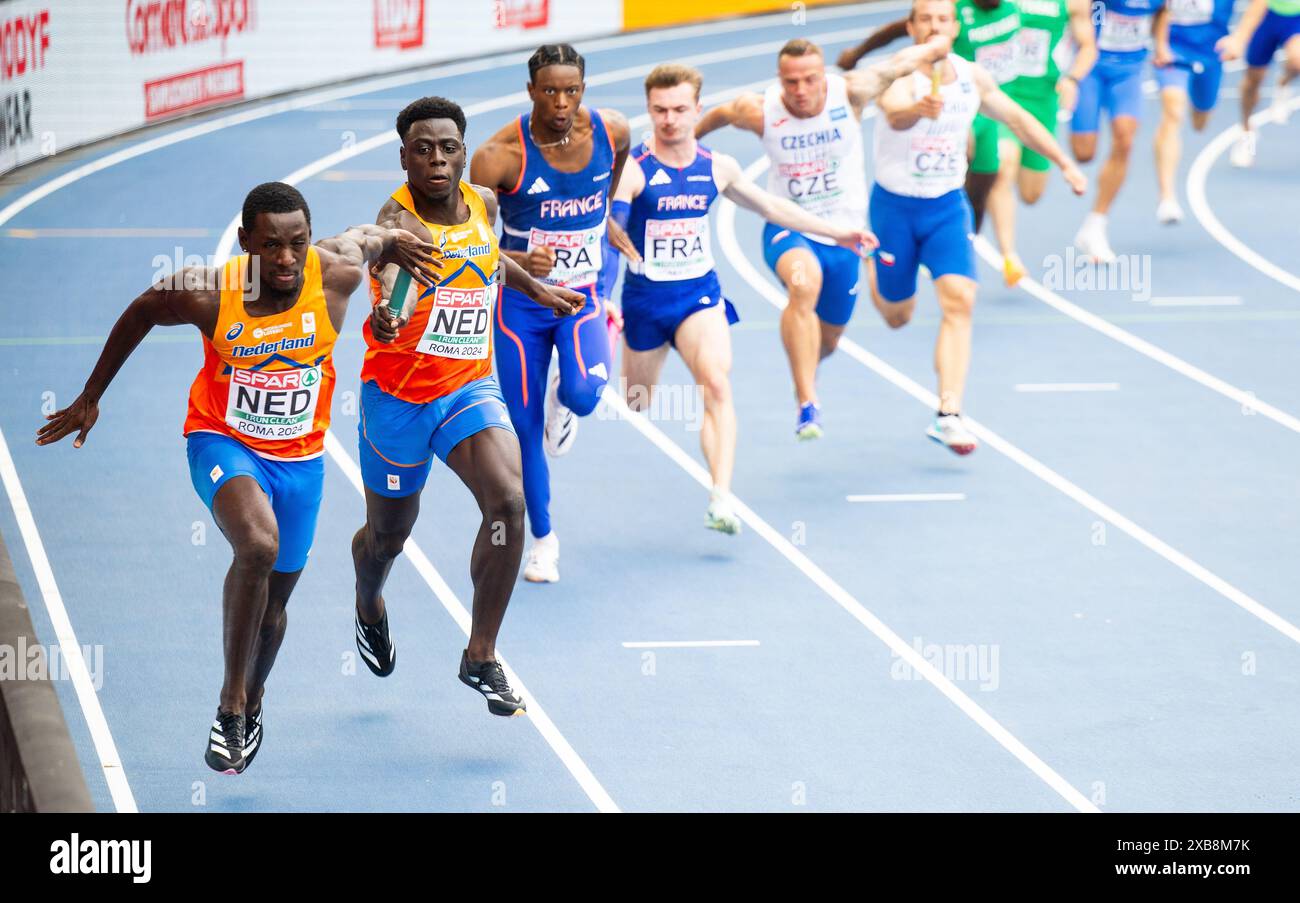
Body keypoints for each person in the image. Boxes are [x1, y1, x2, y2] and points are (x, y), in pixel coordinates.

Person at [36, 182, 436, 774]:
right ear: (244, 240)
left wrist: (396, 243)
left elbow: (369, 237)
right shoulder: (207, 292)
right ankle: (229, 705)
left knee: (276, 601)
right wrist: (91, 397)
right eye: (270, 245)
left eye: (297, 243)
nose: (284, 258)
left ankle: (254, 698)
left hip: (300, 461)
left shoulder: (336, 274)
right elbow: (144, 309)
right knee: (258, 545)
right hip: (222, 442)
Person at [352, 97, 585, 716]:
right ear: (403, 157)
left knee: (507, 500)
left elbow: (484, 256)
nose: (436, 159)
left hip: (468, 388)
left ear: (463, 150)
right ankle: (369, 600)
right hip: (399, 400)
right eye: (422, 149)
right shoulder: (398, 224)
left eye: (448, 147)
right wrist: (389, 316)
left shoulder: (479, 201)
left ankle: (481, 655)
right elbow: (396, 281)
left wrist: (536, 286)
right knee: (387, 537)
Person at [615, 64, 879, 532]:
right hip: (645, 301)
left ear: (698, 109)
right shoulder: (634, 171)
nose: (670, 120)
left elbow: (774, 207)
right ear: (649, 110)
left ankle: (720, 497)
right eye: (659, 110)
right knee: (637, 400)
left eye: (679, 109)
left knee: (716, 385)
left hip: (699, 295)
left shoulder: (718, 167)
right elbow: (608, 223)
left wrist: (839, 233)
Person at [695, 35, 958, 439]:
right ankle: (807, 404)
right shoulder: (760, 110)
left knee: (830, 340)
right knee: (804, 285)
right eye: (791, 82)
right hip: (790, 227)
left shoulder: (850, 93)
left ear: (823, 77)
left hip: (844, 236)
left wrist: (935, 47)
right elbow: (721, 114)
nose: (800, 91)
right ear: (780, 80)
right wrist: (679, 142)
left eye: (810, 80)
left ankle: (805, 367)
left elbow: (899, 62)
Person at [870, 0, 1088, 455]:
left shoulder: (971, 76)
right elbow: (893, 113)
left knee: (959, 300)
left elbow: (1019, 120)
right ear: (910, 27)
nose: (934, 27)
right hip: (896, 209)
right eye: (924, 19)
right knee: (897, 315)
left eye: (942, 20)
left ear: (956, 27)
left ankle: (948, 414)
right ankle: (872, 264)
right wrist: (917, 110)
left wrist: (1064, 161)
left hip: (947, 206)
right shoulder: (895, 75)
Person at [470, 44, 634, 584]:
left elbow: (608, 184)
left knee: (585, 395)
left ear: (583, 89)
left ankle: (564, 405)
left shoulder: (613, 132)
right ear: (531, 91)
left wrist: (603, 218)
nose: (561, 102)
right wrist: (517, 258)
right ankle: (543, 540)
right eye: (549, 91)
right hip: (523, 302)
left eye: (571, 91)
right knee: (522, 429)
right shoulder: (499, 156)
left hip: (582, 293)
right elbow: (467, 242)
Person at [987, 0, 1097, 283]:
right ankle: (1009, 256)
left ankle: (986, 184)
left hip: (1042, 99)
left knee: (1031, 194)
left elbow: (1088, 46)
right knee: (1004, 164)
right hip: (1002, 92)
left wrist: (1072, 80)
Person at [1071, 0, 1172, 263]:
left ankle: (1096, 224)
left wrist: (1161, 45)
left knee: (1125, 139)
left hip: (1129, 69)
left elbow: (1162, 10)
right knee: (1084, 153)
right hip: (1092, 65)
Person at [1151, 0, 1235, 217]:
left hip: (1211, 51)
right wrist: (1159, 43)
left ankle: (1196, 102)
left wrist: (1241, 37)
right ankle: (1167, 197)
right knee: (1173, 110)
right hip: (1174, 48)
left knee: (1200, 120)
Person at [1217, 0, 1300, 167]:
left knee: (1297, 61)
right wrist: (1239, 39)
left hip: (1295, 17)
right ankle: (1247, 133)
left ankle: (1283, 85)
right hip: (1265, 16)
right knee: (1253, 81)